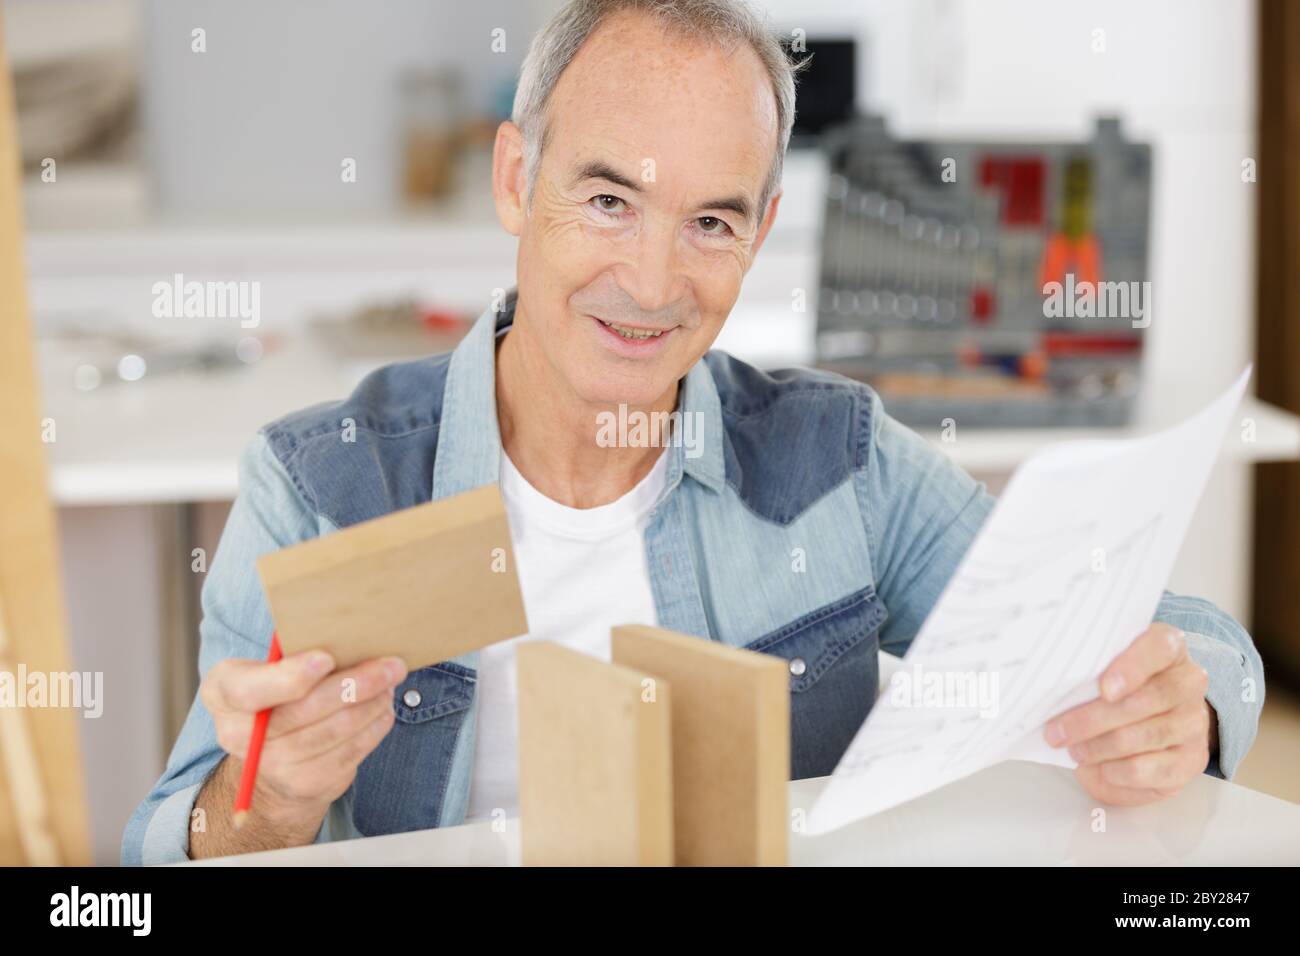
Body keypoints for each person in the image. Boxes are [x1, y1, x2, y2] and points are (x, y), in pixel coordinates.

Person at [123, 0, 1262, 865]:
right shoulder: (326, 482)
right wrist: (267, 801)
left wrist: (1184, 702)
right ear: (517, 178)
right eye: (609, 201)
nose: (653, 280)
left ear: (762, 229)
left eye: (709, 221)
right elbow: (154, 852)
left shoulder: (839, 461)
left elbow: (1162, 625)